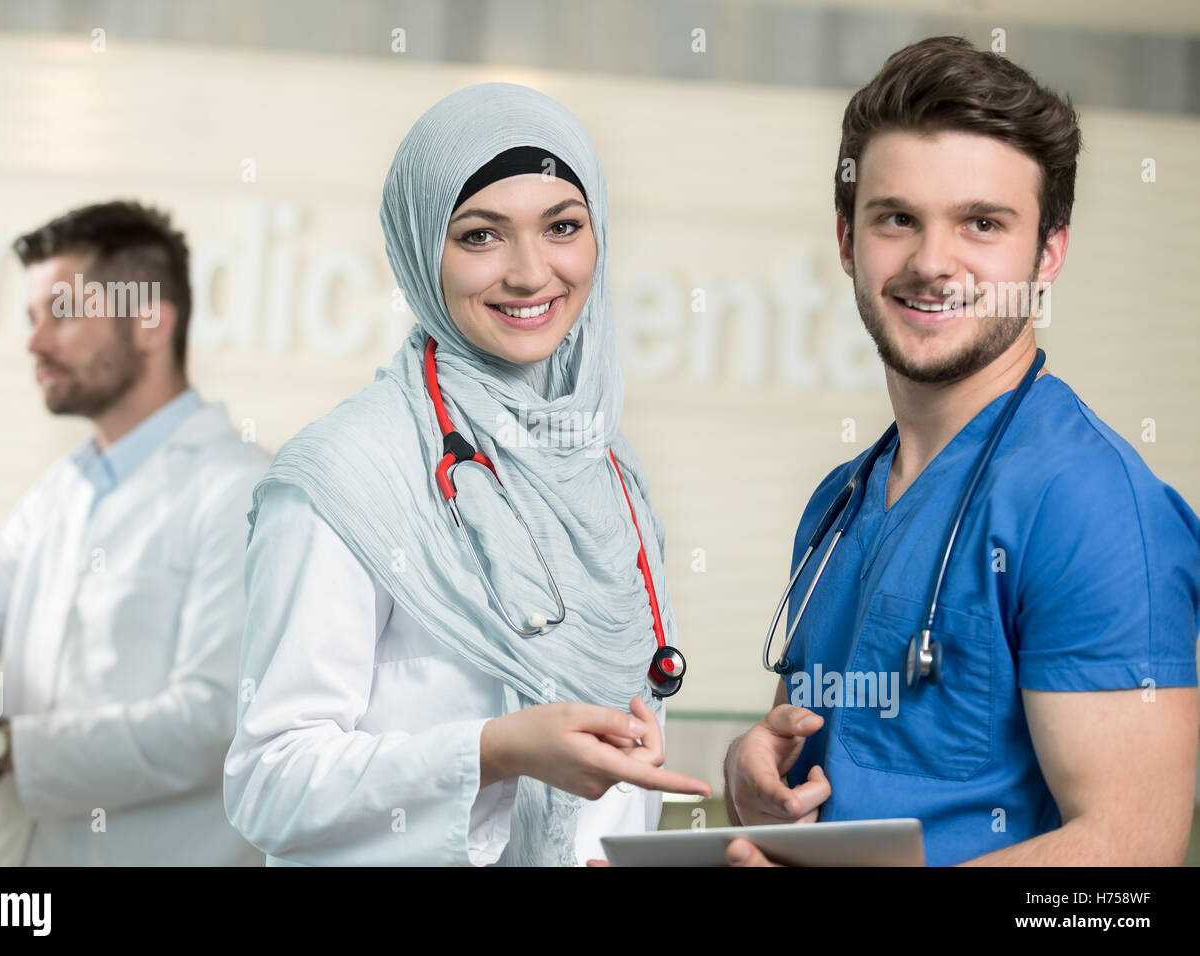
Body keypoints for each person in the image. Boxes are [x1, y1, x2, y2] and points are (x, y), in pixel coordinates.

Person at [723, 36, 1200, 867]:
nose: (931, 263)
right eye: (897, 218)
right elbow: (839, 781)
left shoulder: (1092, 509)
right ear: (847, 240)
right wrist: (755, 779)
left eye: (982, 223)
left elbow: (1129, 861)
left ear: (1047, 253)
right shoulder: (841, 503)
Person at [223, 82, 711, 867]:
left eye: (562, 227)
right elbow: (268, 784)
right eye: (481, 236)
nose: (530, 273)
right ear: (422, 249)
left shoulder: (608, 467)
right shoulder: (346, 474)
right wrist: (493, 750)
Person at [0, 201, 268, 865]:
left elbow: (215, 721)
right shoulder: (63, 491)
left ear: (151, 320)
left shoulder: (242, 493)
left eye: (62, 312)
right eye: (31, 318)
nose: (35, 343)